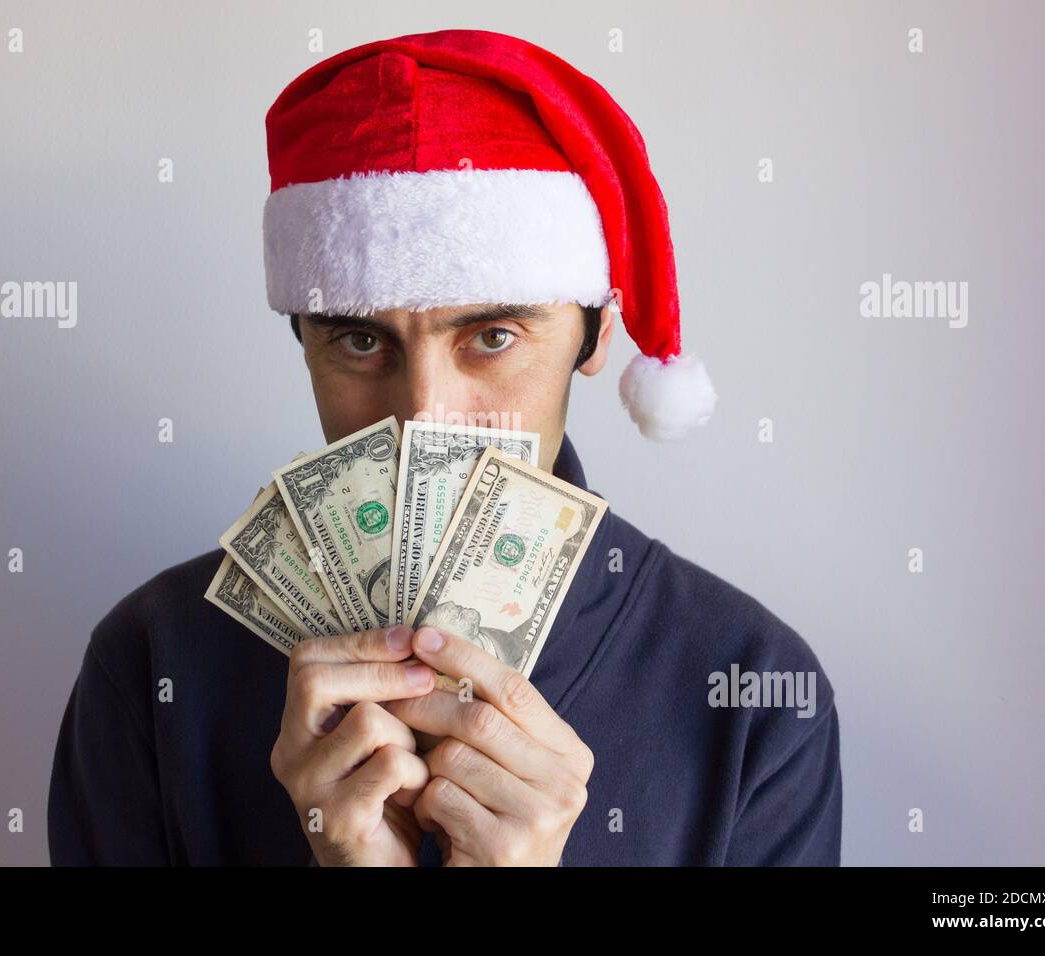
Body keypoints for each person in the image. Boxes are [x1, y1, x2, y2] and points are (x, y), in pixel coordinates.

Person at [48, 29, 842, 866]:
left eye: (493, 336)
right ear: (303, 341)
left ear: (595, 332)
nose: (424, 418)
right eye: (359, 342)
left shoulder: (753, 692)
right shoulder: (151, 664)